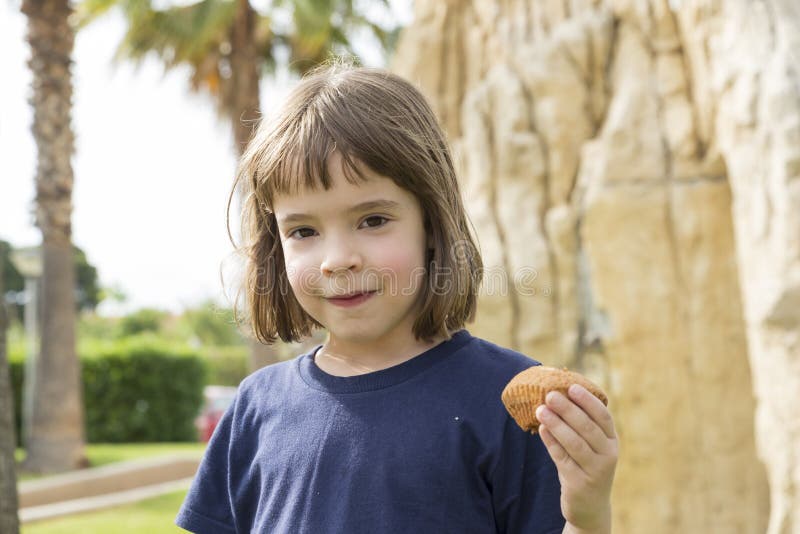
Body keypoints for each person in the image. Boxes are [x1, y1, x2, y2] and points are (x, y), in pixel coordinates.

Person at [176, 63, 618, 534]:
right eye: (303, 231)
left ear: (431, 223)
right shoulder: (255, 408)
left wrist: (586, 518)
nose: (337, 260)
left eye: (372, 220)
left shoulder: (509, 404)